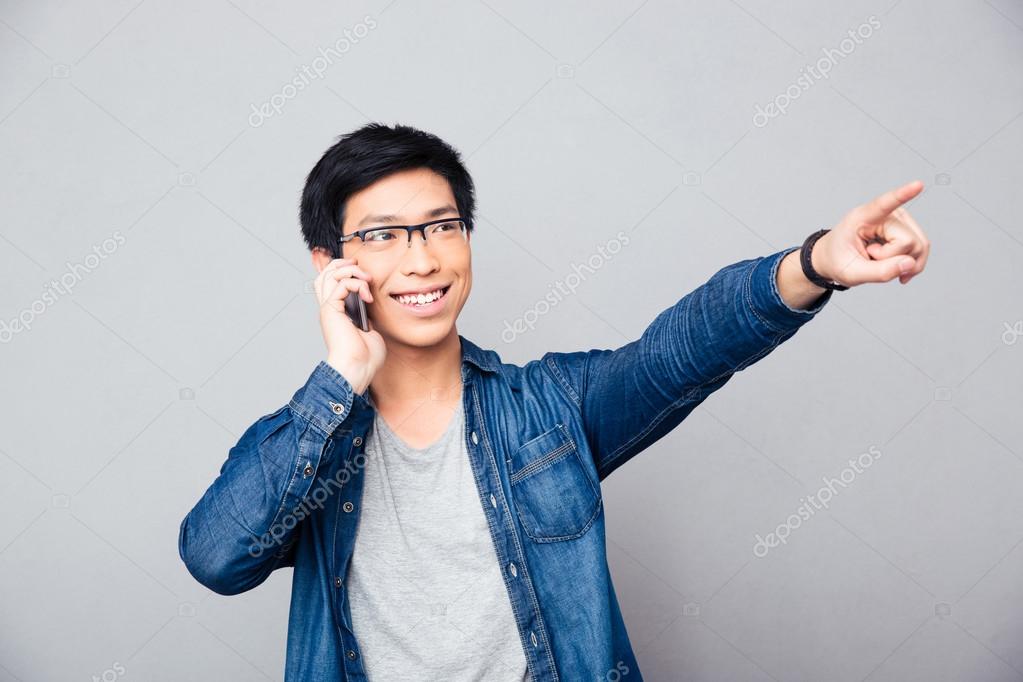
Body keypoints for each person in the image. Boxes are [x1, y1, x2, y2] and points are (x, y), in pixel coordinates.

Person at [178, 123, 930, 681]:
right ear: (330, 264)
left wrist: (813, 265)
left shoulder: (550, 406)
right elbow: (216, 557)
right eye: (382, 236)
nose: (422, 258)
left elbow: (680, 352)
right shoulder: (310, 442)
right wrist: (339, 379)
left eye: (442, 226)